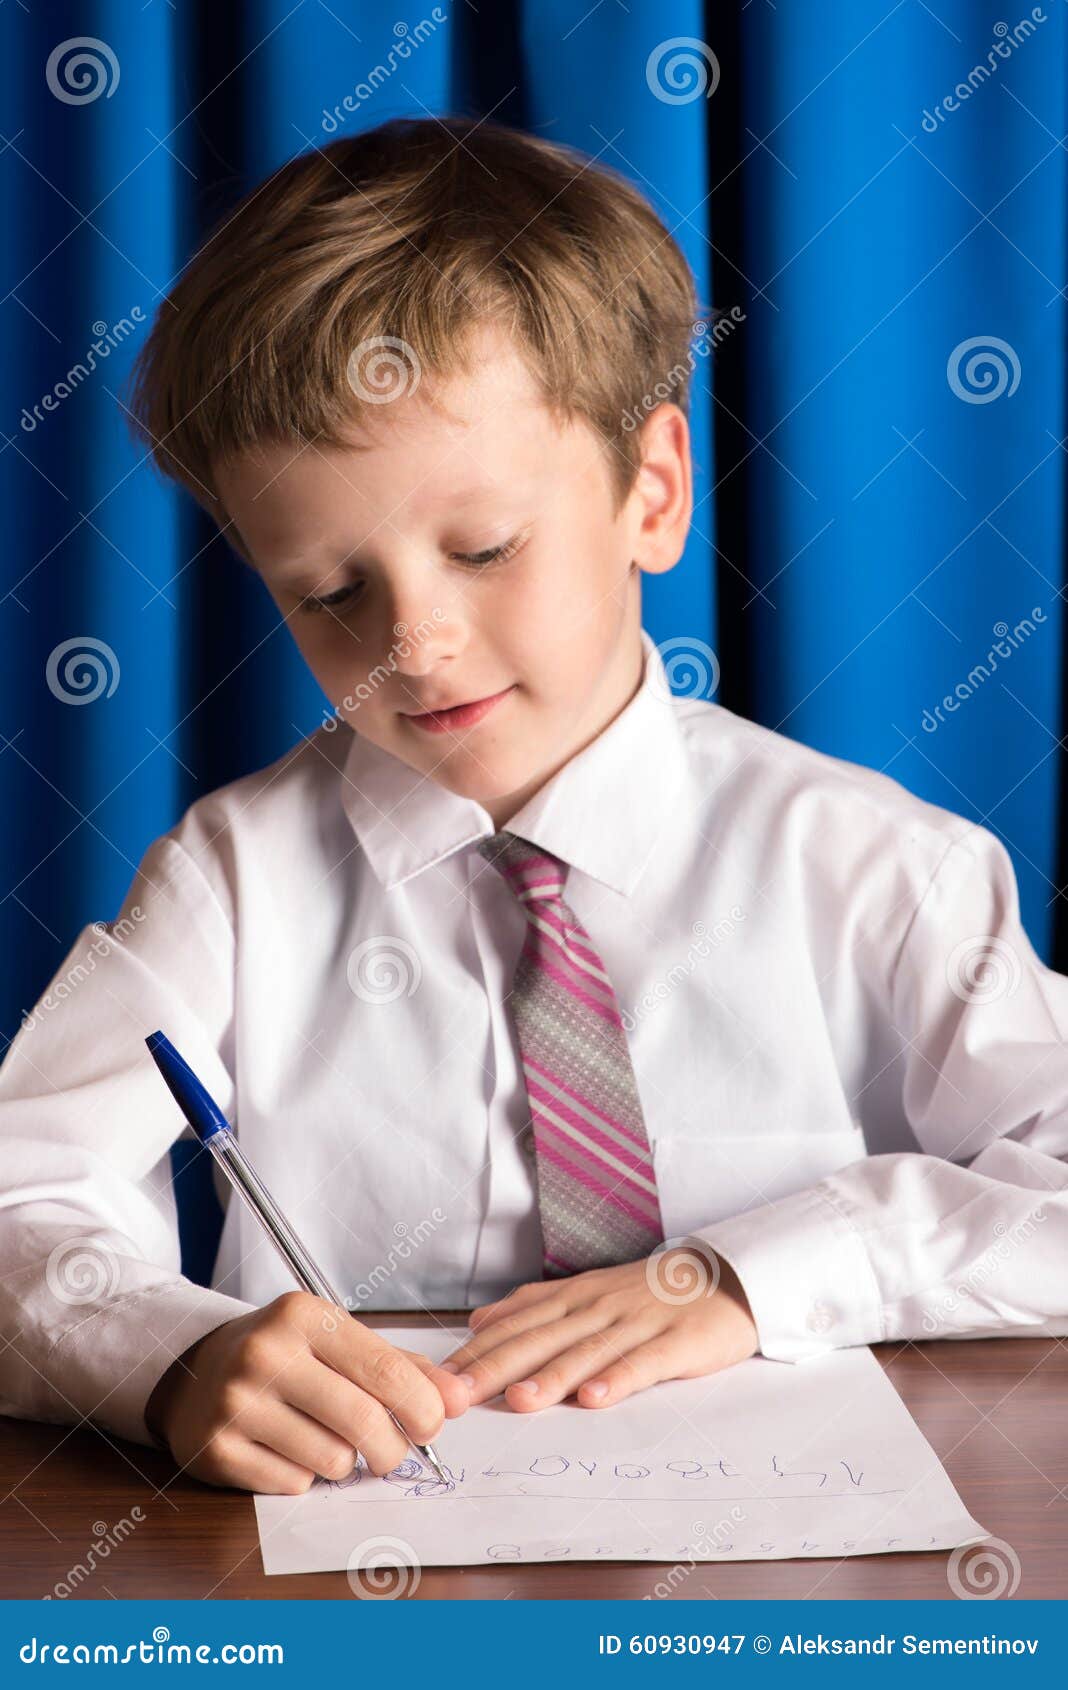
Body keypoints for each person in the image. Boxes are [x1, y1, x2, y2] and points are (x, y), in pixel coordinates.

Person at [1, 118, 1063, 1497]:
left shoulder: (880, 868)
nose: (416, 639)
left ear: (655, 492)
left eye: (484, 548)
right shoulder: (231, 878)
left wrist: (771, 1266)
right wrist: (169, 1355)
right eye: (331, 592)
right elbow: (21, 1202)